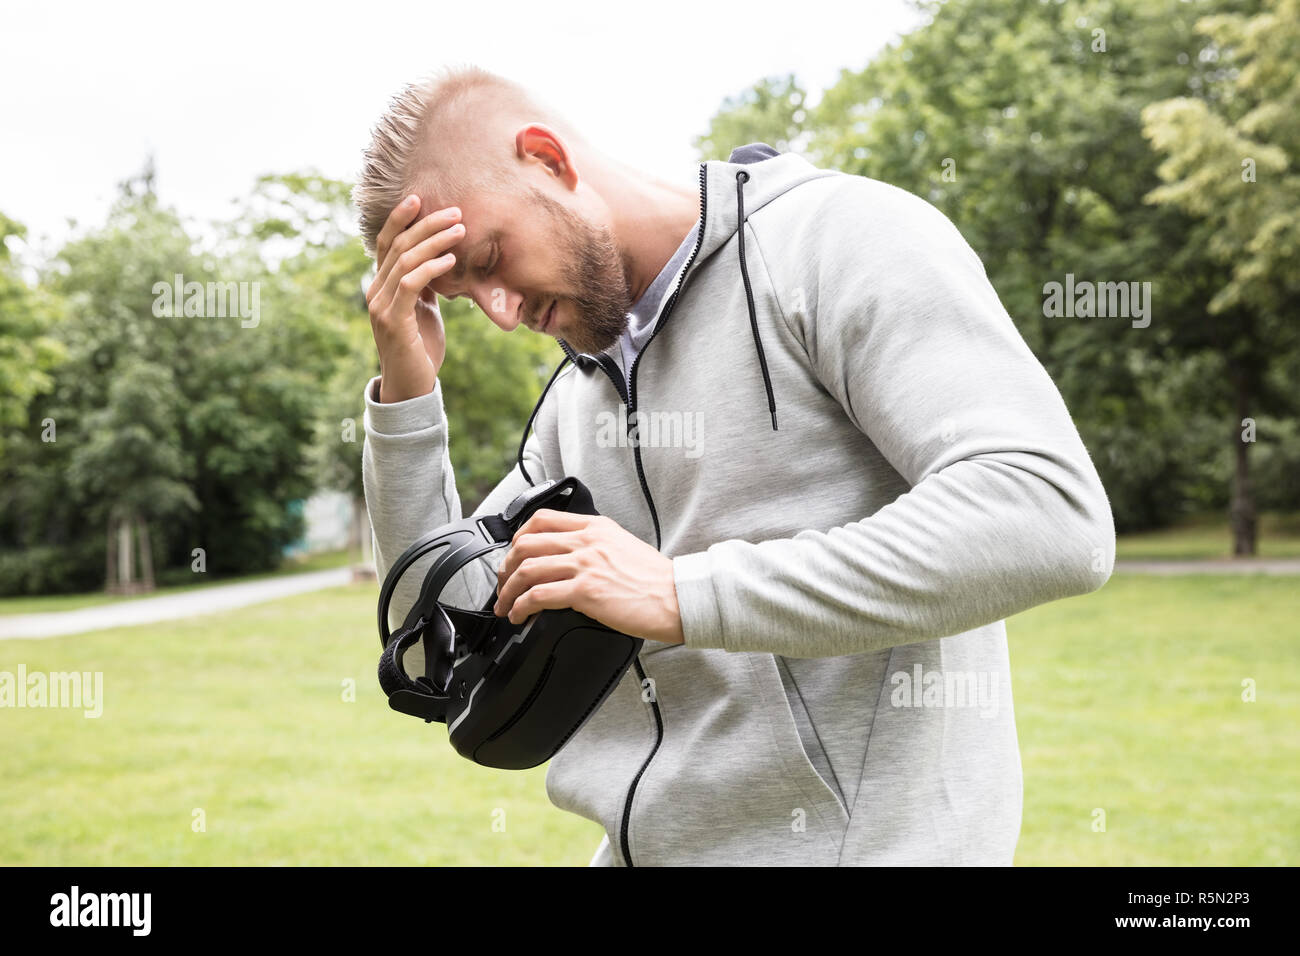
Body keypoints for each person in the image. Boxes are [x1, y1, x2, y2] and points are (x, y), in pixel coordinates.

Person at [353, 64, 1115, 866]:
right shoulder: (572, 406)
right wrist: (407, 394)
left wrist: (681, 593)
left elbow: (1047, 515)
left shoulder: (837, 240)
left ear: (548, 158)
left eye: (491, 257)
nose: (502, 316)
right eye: (468, 298)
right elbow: (439, 624)